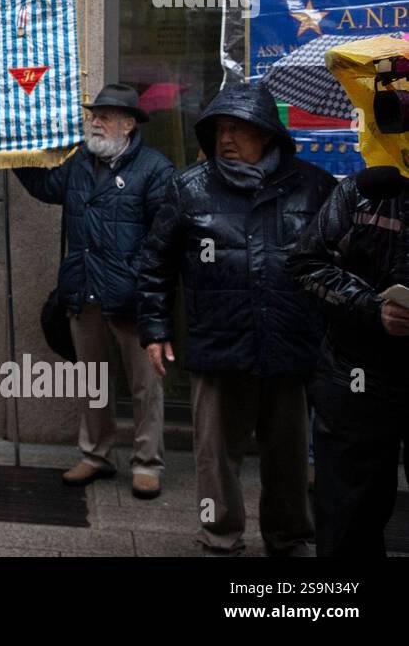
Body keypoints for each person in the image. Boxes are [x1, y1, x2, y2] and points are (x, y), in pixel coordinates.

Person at [137, 82, 336, 556]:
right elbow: (155, 264)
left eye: (239, 128)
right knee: (215, 458)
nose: (227, 138)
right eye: (220, 129)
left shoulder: (313, 186)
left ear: (267, 134)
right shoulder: (190, 188)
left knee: (287, 456)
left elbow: (337, 261)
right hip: (219, 346)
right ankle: (219, 535)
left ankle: (289, 538)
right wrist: (156, 329)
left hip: (289, 344)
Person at [15, 84, 174, 498]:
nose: (96, 122)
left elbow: (166, 239)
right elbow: (44, 187)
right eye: (94, 115)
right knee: (92, 382)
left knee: (145, 388)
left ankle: (147, 462)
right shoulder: (79, 164)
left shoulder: (155, 169)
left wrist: (135, 276)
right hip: (83, 293)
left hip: (132, 299)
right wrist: (10, 153)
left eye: (106, 116)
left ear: (129, 124)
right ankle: (96, 454)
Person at [288, 165, 409, 556]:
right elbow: (307, 263)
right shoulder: (362, 190)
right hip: (354, 378)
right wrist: (373, 308)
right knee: (347, 524)